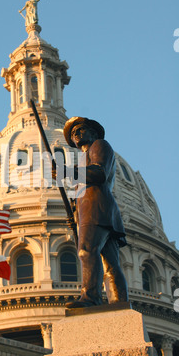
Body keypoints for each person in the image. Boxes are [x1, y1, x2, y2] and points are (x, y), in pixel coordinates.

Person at [62, 116, 129, 308]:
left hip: (97, 209)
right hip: (95, 211)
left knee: (86, 251)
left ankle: (91, 298)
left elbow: (99, 173)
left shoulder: (99, 145)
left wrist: (67, 172)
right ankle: (119, 303)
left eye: (81, 129)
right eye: (74, 133)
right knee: (110, 263)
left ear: (93, 132)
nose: (77, 134)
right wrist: (75, 217)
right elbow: (82, 193)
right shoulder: (83, 158)